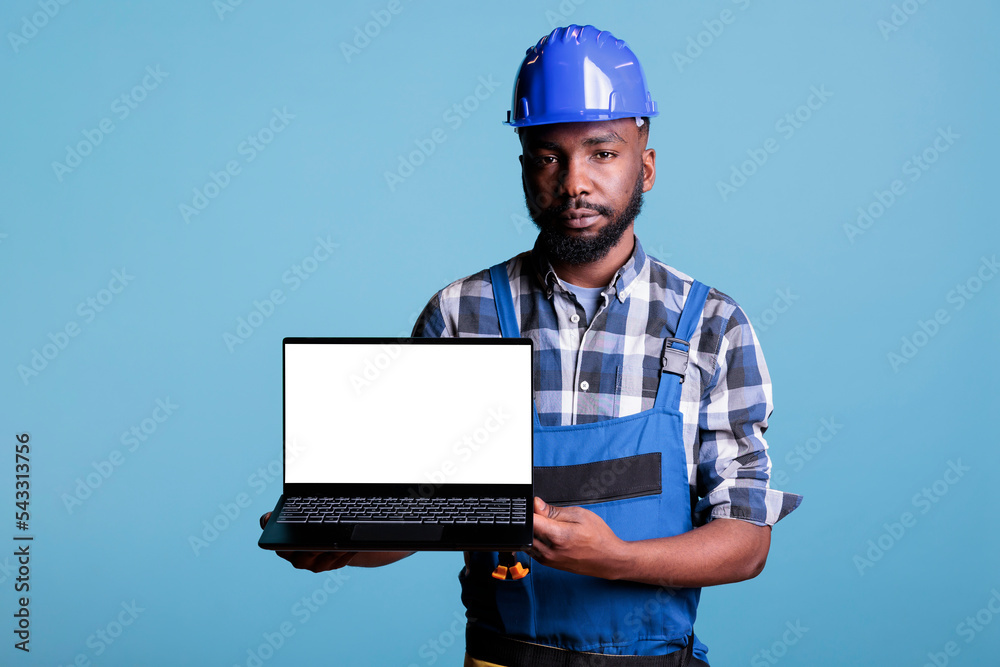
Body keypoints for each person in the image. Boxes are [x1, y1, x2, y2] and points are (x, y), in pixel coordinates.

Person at [261, 24, 801, 667]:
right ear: (524, 168)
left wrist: (616, 559)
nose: (575, 183)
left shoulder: (712, 325)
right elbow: (423, 517)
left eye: (603, 153)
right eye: (549, 157)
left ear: (646, 166)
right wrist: (345, 539)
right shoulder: (460, 314)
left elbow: (746, 541)